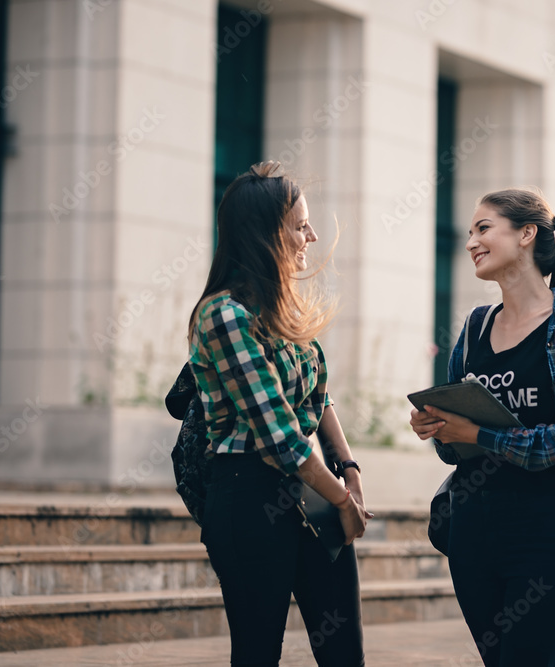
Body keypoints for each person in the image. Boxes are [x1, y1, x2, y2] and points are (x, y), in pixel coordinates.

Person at [410, 188, 555, 666]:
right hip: (472, 534)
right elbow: (455, 452)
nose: (471, 241)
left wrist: (478, 435)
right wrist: (439, 428)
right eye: (470, 232)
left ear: (526, 234)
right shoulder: (475, 326)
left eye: (483, 228)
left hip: (545, 536)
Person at [186, 161, 371, 667]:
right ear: (266, 233)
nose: (310, 235)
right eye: (299, 225)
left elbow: (320, 396)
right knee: (257, 652)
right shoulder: (224, 315)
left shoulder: (285, 311)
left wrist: (349, 469)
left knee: (344, 653)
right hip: (249, 495)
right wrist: (342, 501)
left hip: (315, 490)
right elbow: (281, 437)